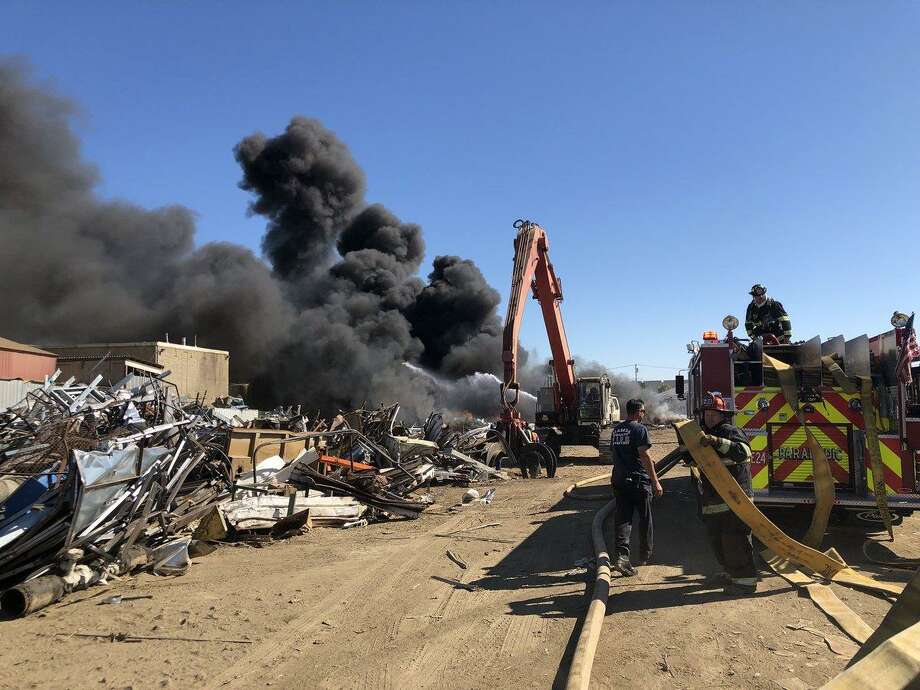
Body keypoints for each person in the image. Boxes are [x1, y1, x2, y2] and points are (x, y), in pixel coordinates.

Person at [697, 392, 758, 595]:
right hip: (714, 502)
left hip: (736, 501)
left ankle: (745, 583)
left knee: (736, 541)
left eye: (714, 414)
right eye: (706, 414)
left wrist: (716, 441)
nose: (709, 418)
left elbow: (744, 453)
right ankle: (731, 574)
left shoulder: (731, 432)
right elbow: (691, 461)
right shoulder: (701, 436)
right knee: (718, 542)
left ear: (723, 415)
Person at [610, 398, 663, 576]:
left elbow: (618, 453)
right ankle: (645, 555)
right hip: (638, 481)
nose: (644, 414)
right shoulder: (639, 429)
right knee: (645, 518)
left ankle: (621, 557)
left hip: (619, 480)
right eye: (643, 412)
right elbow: (644, 455)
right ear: (638, 411)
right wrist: (655, 481)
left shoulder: (617, 430)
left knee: (623, 519)